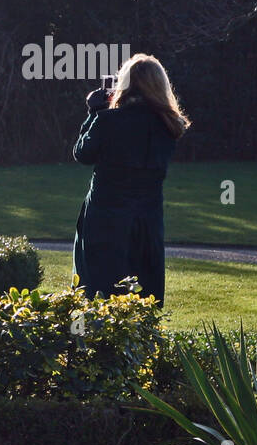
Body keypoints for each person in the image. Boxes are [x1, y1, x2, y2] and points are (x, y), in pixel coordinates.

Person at [72, 54, 190, 305]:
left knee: (99, 283)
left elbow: (83, 154)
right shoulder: (170, 125)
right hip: (147, 218)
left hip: (105, 214)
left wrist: (94, 112)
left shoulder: (108, 120)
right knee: (143, 285)